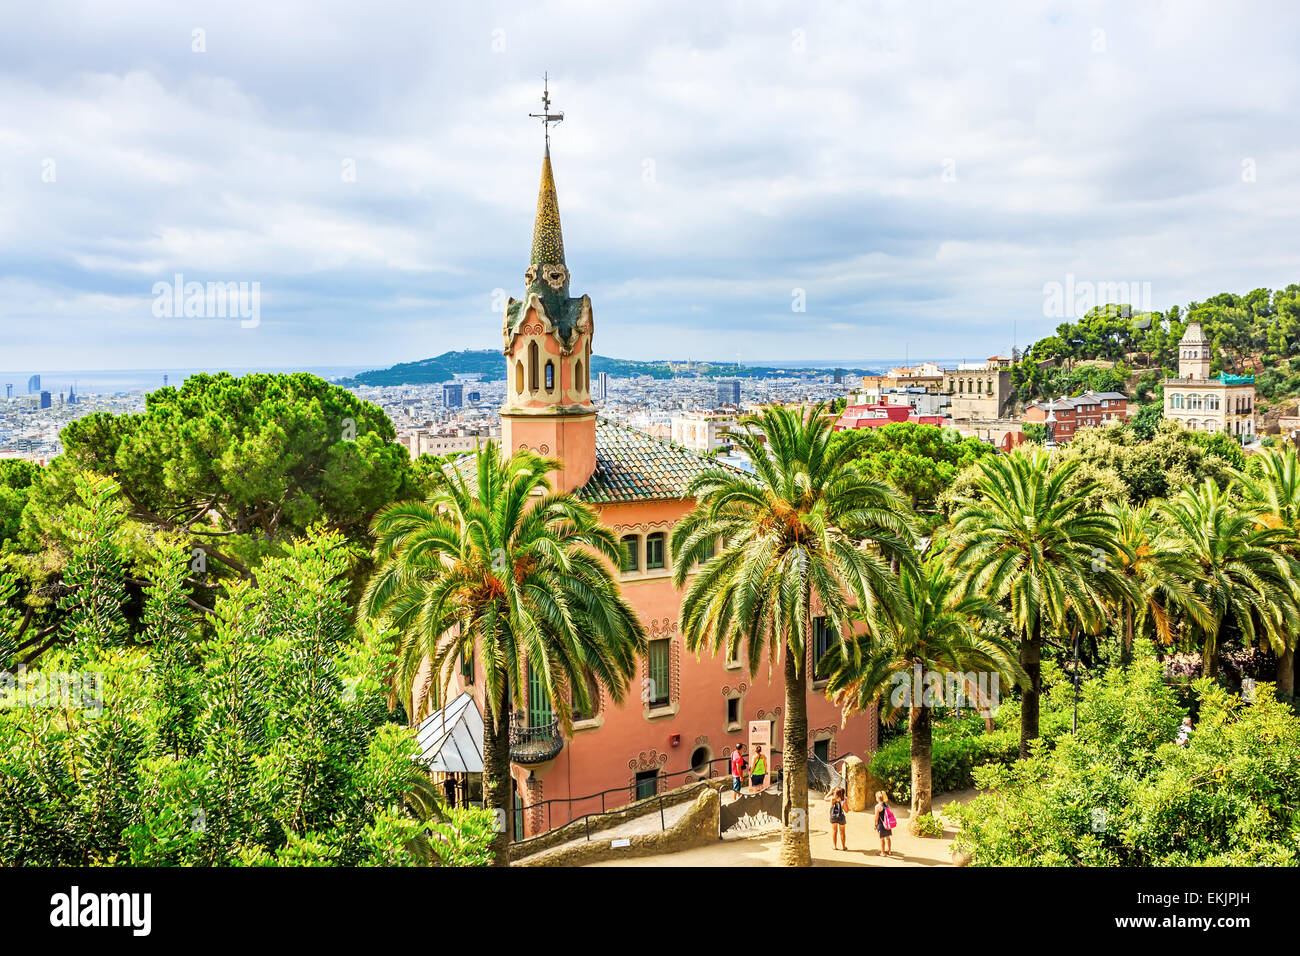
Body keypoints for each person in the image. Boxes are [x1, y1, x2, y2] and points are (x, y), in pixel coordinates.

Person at [873, 790, 894, 857]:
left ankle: (883, 852)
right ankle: (889, 851)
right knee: (888, 837)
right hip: (887, 824)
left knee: (882, 838)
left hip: (881, 824)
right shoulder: (886, 804)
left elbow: (876, 817)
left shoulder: (877, 806)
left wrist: (875, 824)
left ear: (878, 798)